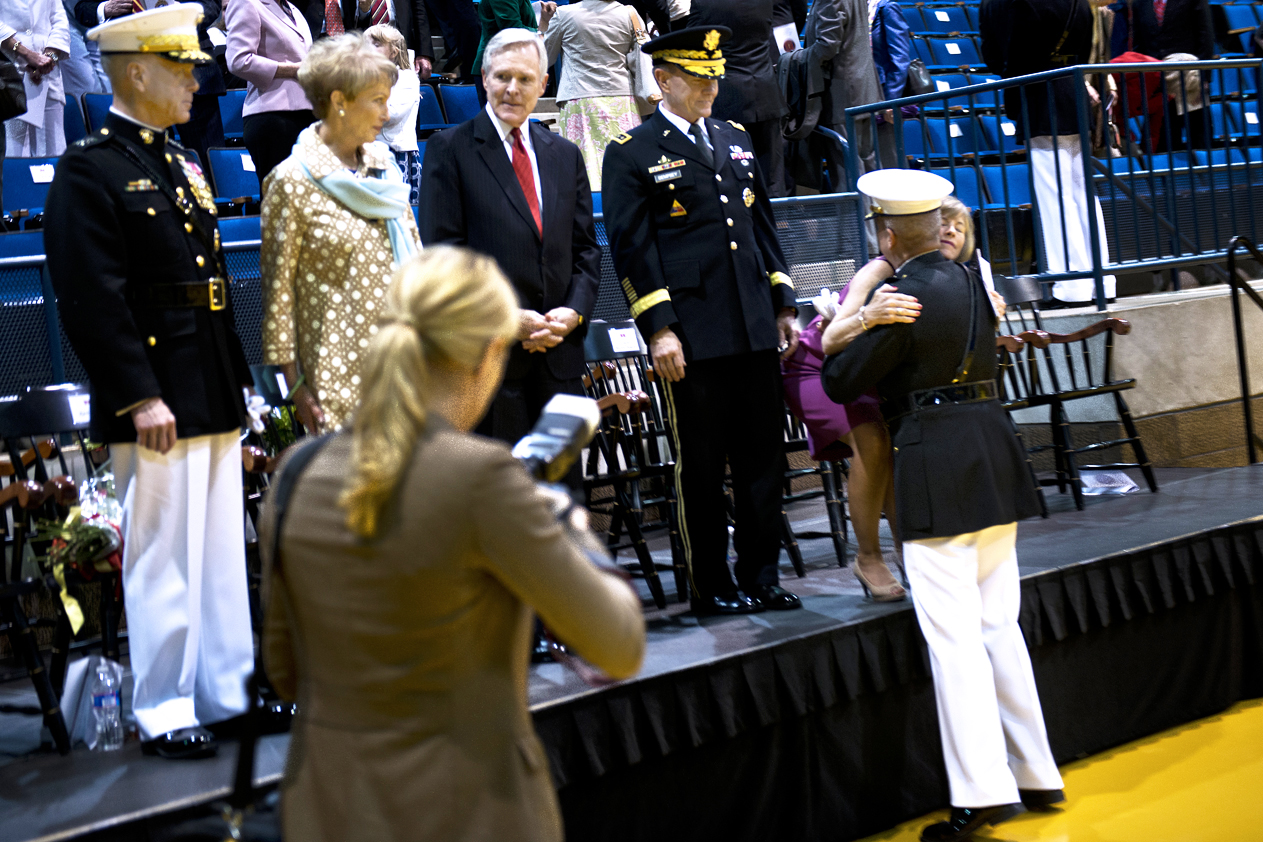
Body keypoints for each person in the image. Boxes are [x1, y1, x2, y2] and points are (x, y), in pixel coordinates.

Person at [260, 246, 646, 842]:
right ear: (487, 355)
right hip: (467, 811)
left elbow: (284, 674)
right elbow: (618, 645)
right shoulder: (482, 478)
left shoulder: (294, 473)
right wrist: (564, 519)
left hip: (327, 809)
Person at [821, 169, 1064, 842]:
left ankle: (979, 797)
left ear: (887, 233)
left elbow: (839, 379)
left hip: (936, 462)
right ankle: (1036, 770)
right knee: (999, 627)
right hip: (992, 452)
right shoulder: (971, 281)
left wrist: (856, 319)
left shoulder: (904, 296)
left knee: (953, 639)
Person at [44, 4, 256, 761]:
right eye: (183, 69)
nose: (197, 82)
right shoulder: (89, 168)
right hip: (157, 391)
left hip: (208, 381)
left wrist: (239, 387)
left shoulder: (179, 161)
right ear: (137, 72)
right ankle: (164, 705)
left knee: (220, 548)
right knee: (162, 553)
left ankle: (226, 691)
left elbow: (211, 285)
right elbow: (92, 295)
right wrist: (138, 394)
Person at [602, 26, 803, 615]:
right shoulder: (632, 151)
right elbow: (632, 248)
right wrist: (659, 328)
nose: (712, 86)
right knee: (704, 467)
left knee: (764, 459)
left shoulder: (734, 139)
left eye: (715, 76)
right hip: (692, 336)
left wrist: (785, 306)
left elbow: (763, 231)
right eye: (698, 77)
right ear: (664, 79)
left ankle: (761, 575)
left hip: (753, 327)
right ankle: (711, 584)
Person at [419, 28, 601, 479]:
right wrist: (506, 318)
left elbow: (585, 251)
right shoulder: (449, 151)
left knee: (563, 501)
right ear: (484, 78)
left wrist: (573, 313)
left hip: (559, 359)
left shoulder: (565, 154)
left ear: (544, 84)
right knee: (500, 504)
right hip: (490, 364)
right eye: (502, 77)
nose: (512, 89)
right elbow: (444, 258)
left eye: (524, 78)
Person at [261, 33, 421, 435]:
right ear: (339, 102)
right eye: (377, 100)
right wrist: (296, 388)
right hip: (335, 378)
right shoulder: (290, 182)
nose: (387, 112)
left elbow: (417, 259)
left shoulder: (384, 166)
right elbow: (278, 298)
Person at [980, 0, 1116, 307]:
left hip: (1038, 96)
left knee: (1055, 197)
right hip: (1073, 91)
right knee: (1083, 193)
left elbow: (997, 58)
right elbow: (1081, 53)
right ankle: (1102, 281)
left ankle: (1072, 287)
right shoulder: (1078, 2)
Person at [73, 0, 225, 165]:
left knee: (209, 166)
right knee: (154, 168)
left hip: (191, 71)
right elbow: (82, 8)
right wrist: (104, 8)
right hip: (138, 78)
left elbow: (211, 4)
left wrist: (184, 17)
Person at [686, 0, 790, 196]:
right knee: (772, 173)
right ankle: (778, 222)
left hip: (727, 96)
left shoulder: (705, 4)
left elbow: (696, 47)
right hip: (765, 89)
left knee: (731, 170)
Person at [541, 0, 643, 191]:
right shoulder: (629, 13)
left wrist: (545, 23)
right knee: (627, 169)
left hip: (579, 101)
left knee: (583, 172)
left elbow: (543, 58)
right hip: (622, 99)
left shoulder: (564, 14)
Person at [225, 0, 314, 190]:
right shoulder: (246, 3)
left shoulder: (293, 9)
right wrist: (291, 70)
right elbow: (238, 60)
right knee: (282, 204)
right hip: (273, 118)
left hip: (306, 116)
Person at [802, 0, 884, 173]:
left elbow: (827, 45)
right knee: (868, 164)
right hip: (862, 87)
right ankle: (870, 202)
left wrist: (799, 61)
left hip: (843, 91)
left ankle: (858, 202)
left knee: (848, 170)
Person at [1, 0, 70, 157]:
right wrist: (26, 54)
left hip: (47, 71)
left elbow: (59, 17)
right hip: (8, 69)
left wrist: (49, 57)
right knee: (13, 153)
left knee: (54, 150)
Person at [366, 24, 422, 204]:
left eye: (376, 44)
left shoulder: (407, 78)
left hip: (396, 152)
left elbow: (391, 114)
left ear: (393, 52)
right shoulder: (366, 77)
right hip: (370, 149)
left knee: (395, 208)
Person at [869, 0, 915, 168]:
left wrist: (891, 100)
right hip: (864, 91)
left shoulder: (886, 8)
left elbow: (900, 58)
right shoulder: (858, 10)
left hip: (883, 94)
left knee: (889, 160)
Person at [471, 0, 555, 80]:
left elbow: (515, 16)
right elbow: (513, 29)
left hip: (514, 61)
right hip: (498, 64)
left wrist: (540, 10)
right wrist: (542, 33)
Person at [352, 0, 435, 79]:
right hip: (364, 52)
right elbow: (348, 19)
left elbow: (419, 12)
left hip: (402, 48)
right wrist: (363, 11)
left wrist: (424, 53)